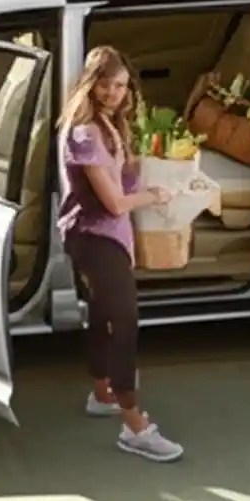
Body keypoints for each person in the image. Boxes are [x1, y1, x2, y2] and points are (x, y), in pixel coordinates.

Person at [56, 45, 182, 463]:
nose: (114, 92)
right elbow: (113, 202)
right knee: (125, 323)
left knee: (104, 316)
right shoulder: (83, 133)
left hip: (111, 238)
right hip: (95, 238)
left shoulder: (109, 125)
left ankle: (102, 394)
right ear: (91, 86)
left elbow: (120, 183)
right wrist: (154, 194)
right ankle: (135, 426)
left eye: (122, 85)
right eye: (106, 85)